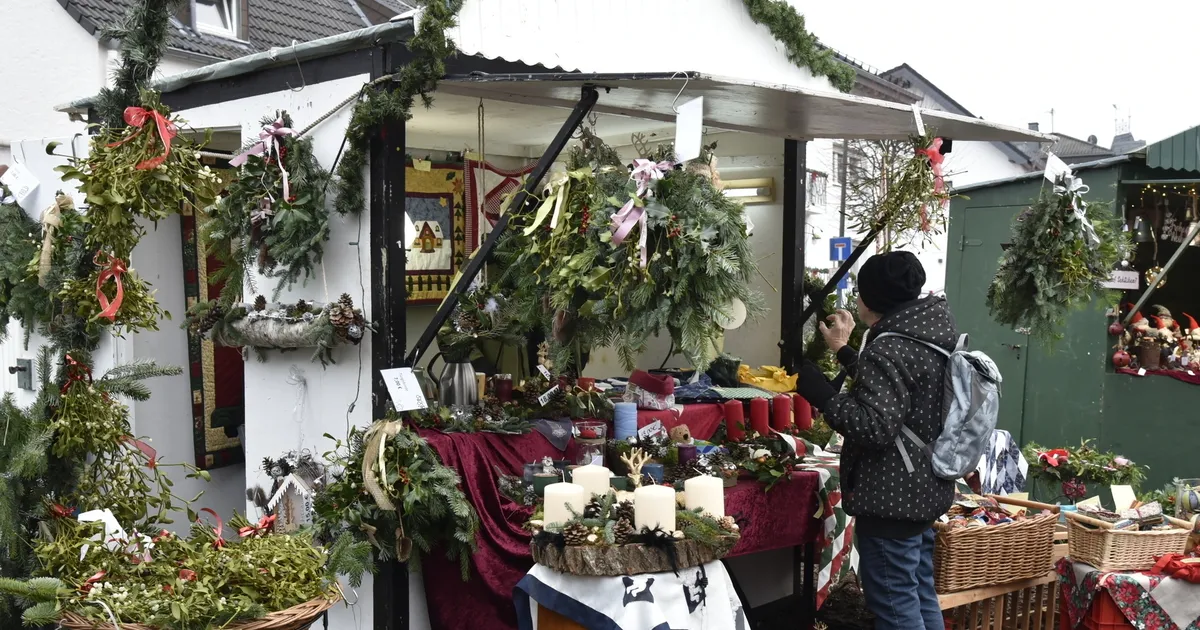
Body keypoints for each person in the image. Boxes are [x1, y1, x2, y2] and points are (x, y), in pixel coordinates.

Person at [794, 251, 956, 630]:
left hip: (892, 497)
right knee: (917, 594)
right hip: (923, 487)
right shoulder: (929, 332)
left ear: (870, 298)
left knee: (897, 609)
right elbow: (900, 390)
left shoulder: (890, 346)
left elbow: (877, 425)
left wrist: (824, 396)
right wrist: (845, 351)